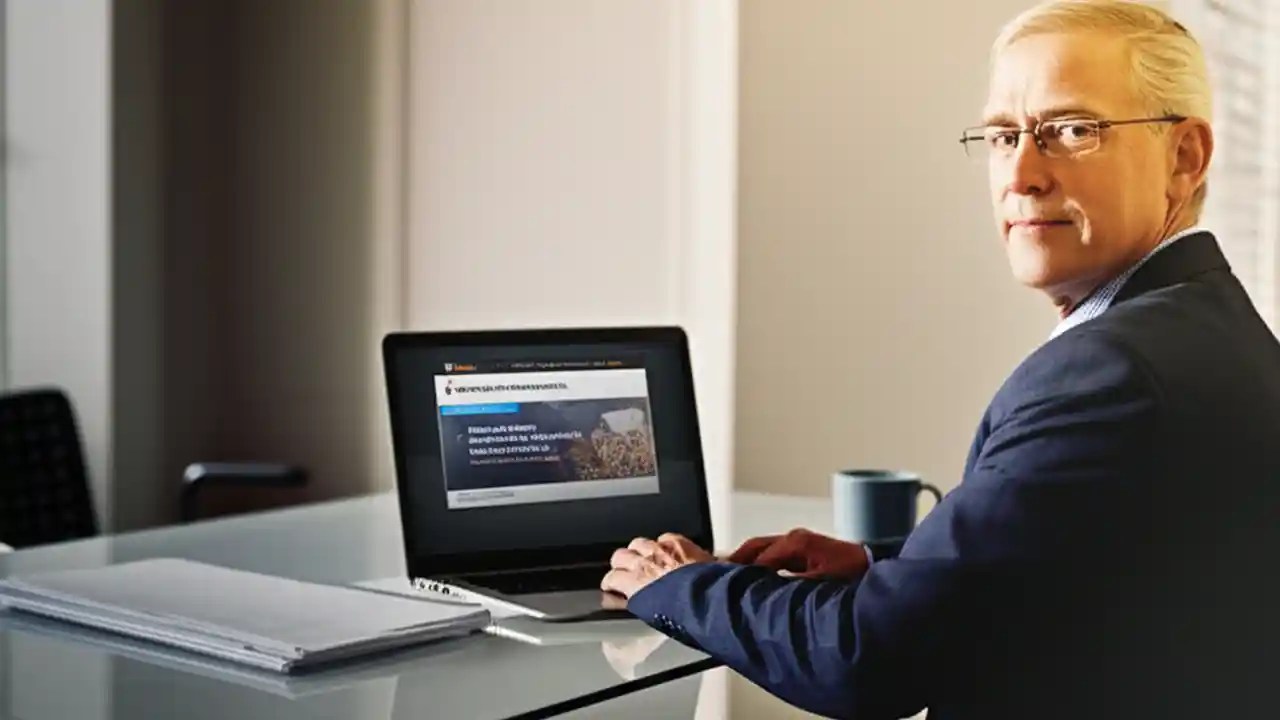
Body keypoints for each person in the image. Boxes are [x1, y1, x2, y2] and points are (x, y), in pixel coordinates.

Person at [600, 2, 1280, 718]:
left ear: (1185, 158)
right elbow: (1095, 582)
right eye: (1001, 135)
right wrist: (883, 570)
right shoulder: (1216, 331)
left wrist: (673, 584)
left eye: (1073, 130)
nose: (1021, 174)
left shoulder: (1113, 374)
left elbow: (871, 660)